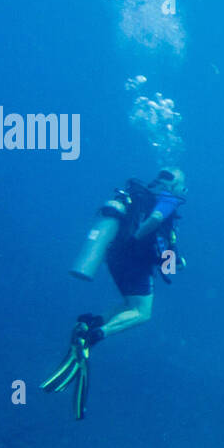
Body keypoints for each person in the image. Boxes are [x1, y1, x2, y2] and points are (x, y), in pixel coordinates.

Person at [41, 168, 187, 419]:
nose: (184, 190)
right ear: (175, 186)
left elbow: (160, 243)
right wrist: (136, 242)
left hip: (115, 257)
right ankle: (95, 336)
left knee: (130, 303)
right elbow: (153, 221)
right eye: (183, 185)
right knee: (142, 313)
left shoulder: (140, 195)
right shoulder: (167, 199)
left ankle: (90, 324)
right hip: (134, 259)